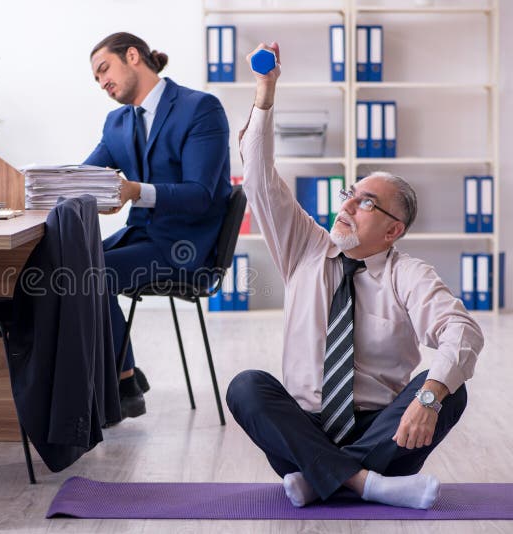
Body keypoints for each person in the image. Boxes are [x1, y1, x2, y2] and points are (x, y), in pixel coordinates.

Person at [226, 42, 483, 510]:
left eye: (365, 202)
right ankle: (368, 485)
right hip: (303, 430)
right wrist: (265, 92)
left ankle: (321, 478)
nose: (345, 206)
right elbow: (260, 179)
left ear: (393, 229)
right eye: (350, 194)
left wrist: (428, 397)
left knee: (451, 389)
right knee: (246, 385)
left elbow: (460, 332)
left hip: (385, 433)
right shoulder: (304, 247)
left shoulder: (409, 273)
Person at [84, 32, 232, 420]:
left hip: (187, 247)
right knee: (63, 265)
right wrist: (33, 184)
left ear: (133, 56)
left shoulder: (200, 108)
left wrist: (135, 191)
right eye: (96, 80)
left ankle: (121, 382)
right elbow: (85, 175)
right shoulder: (117, 123)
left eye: (104, 70)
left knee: (89, 275)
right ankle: (118, 379)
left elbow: (201, 194)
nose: (102, 83)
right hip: (142, 238)